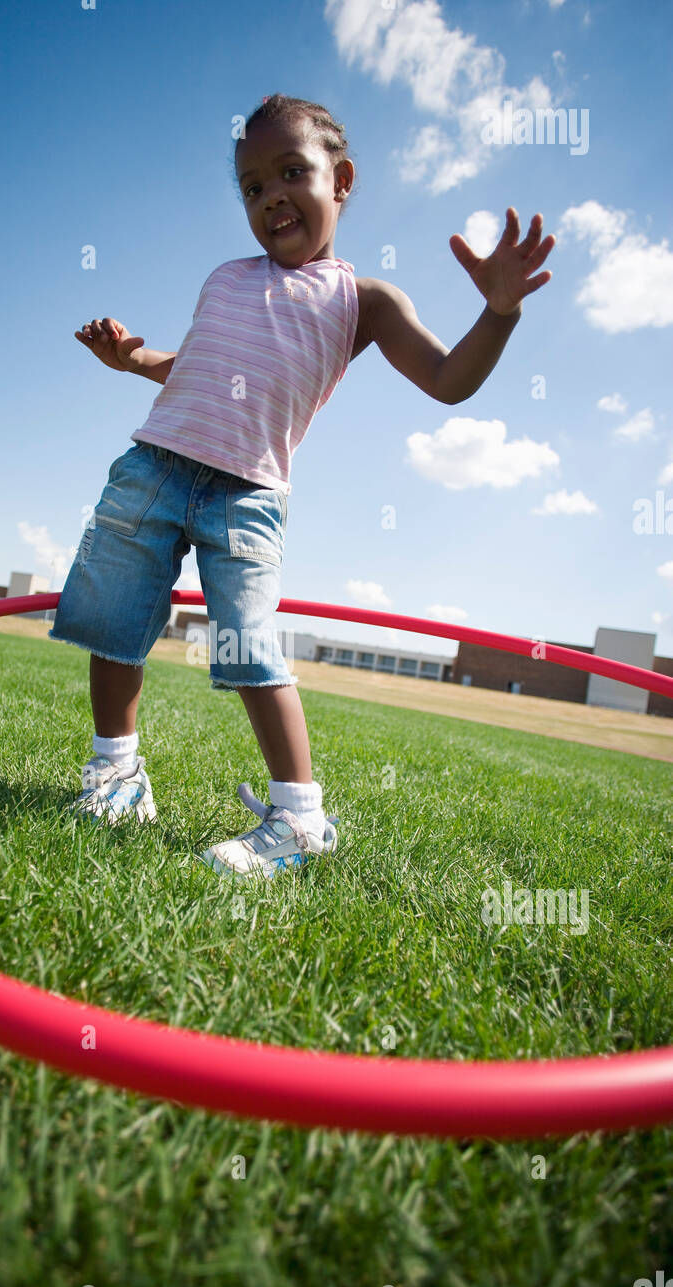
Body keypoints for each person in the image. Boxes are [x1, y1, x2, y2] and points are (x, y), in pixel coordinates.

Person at [49, 91, 555, 878]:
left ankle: (299, 819)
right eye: (252, 186)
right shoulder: (225, 278)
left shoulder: (364, 300)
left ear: (340, 179)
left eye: (291, 172)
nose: (270, 195)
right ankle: (116, 776)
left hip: (247, 492)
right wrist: (130, 362)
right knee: (113, 621)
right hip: (154, 463)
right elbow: (188, 367)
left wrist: (498, 312)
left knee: (248, 645)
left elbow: (451, 381)